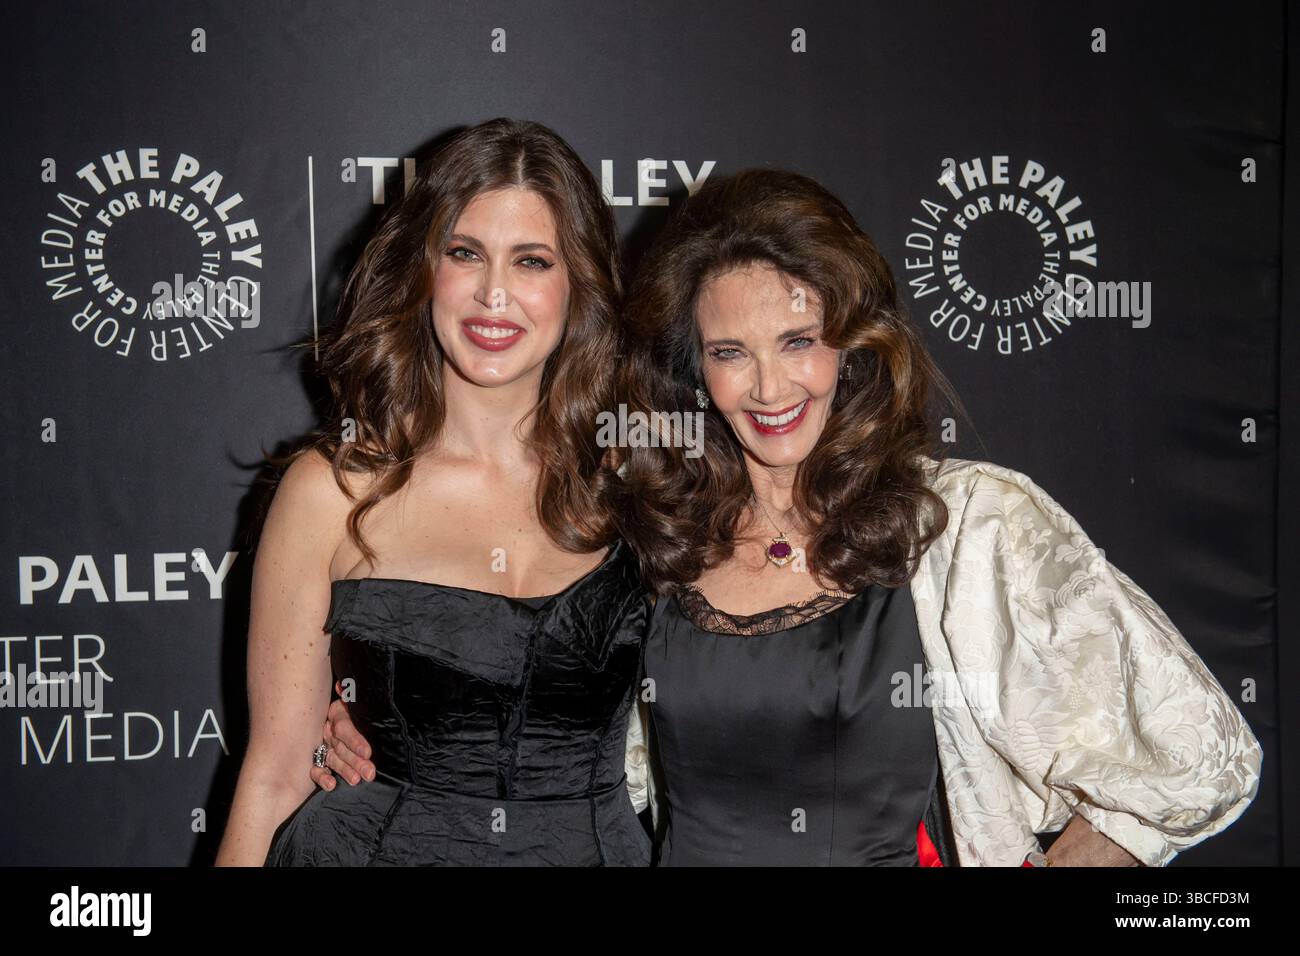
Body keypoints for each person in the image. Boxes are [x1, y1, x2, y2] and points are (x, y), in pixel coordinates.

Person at [314, 168, 1263, 867]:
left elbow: (1192, 755)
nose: (770, 387)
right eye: (731, 351)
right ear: (694, 373)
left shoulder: (967, 529)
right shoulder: (652, 531)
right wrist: (380, 725)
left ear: (851, 347)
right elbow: (547, 715)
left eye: (799, 341)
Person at [215, 118, 651, 866]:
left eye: (532, 261)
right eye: (465, 253)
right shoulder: (331, 493)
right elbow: (276, 774)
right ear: (423, 269)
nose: (493, 294)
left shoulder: (642, 484)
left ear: (577, 282)